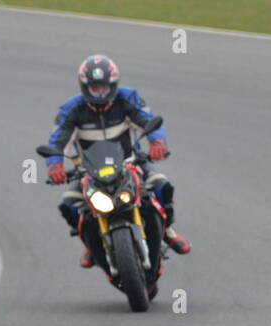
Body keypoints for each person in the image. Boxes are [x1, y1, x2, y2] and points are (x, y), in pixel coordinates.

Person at [45, 54, 190, 268]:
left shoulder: (128, 98)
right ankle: (90, 244)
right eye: (95, 88)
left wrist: (157, 143)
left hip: (131, 163)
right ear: (85, 87)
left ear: (113, 84)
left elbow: (149, 122)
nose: (100, 92)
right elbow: (57, 141)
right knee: (68, 204)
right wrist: (55, 165)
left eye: (104, 87)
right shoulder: (71, 110)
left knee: (162, 185)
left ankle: (168, 230)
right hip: (89, 172)